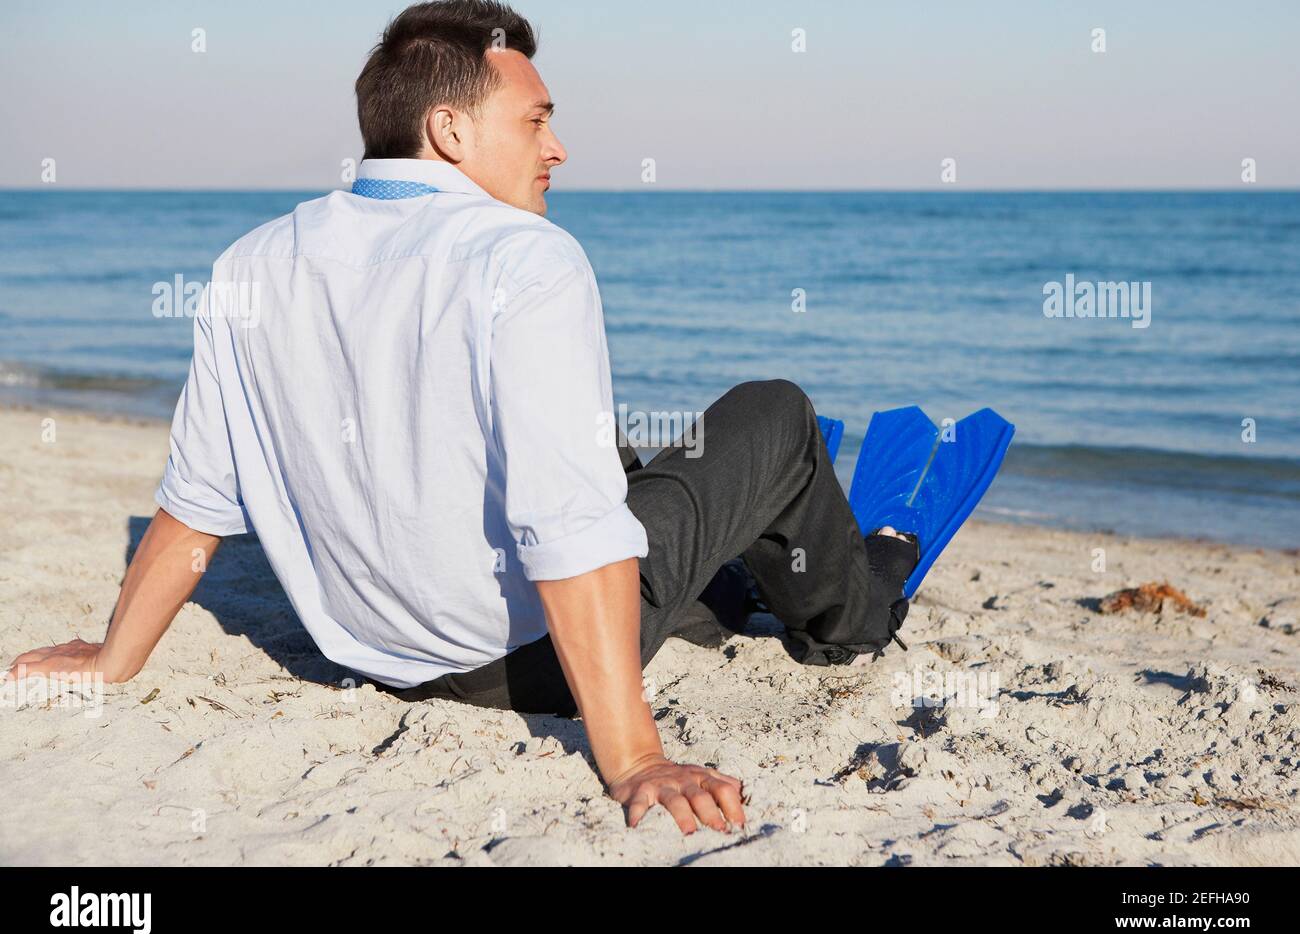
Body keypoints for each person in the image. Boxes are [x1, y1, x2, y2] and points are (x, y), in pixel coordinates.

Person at [3, 0, 913, 835]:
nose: (558, 148)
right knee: (776, 413)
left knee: (613, 448)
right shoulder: (527, 257)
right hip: (539, 663)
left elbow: (197, 501)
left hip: (379, 659)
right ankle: (850, 616)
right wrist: (635, 758)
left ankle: (727, 587)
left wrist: (113, 659)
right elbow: (563, 526)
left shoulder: (250, 263)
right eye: (536, 119)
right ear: (448, 128)